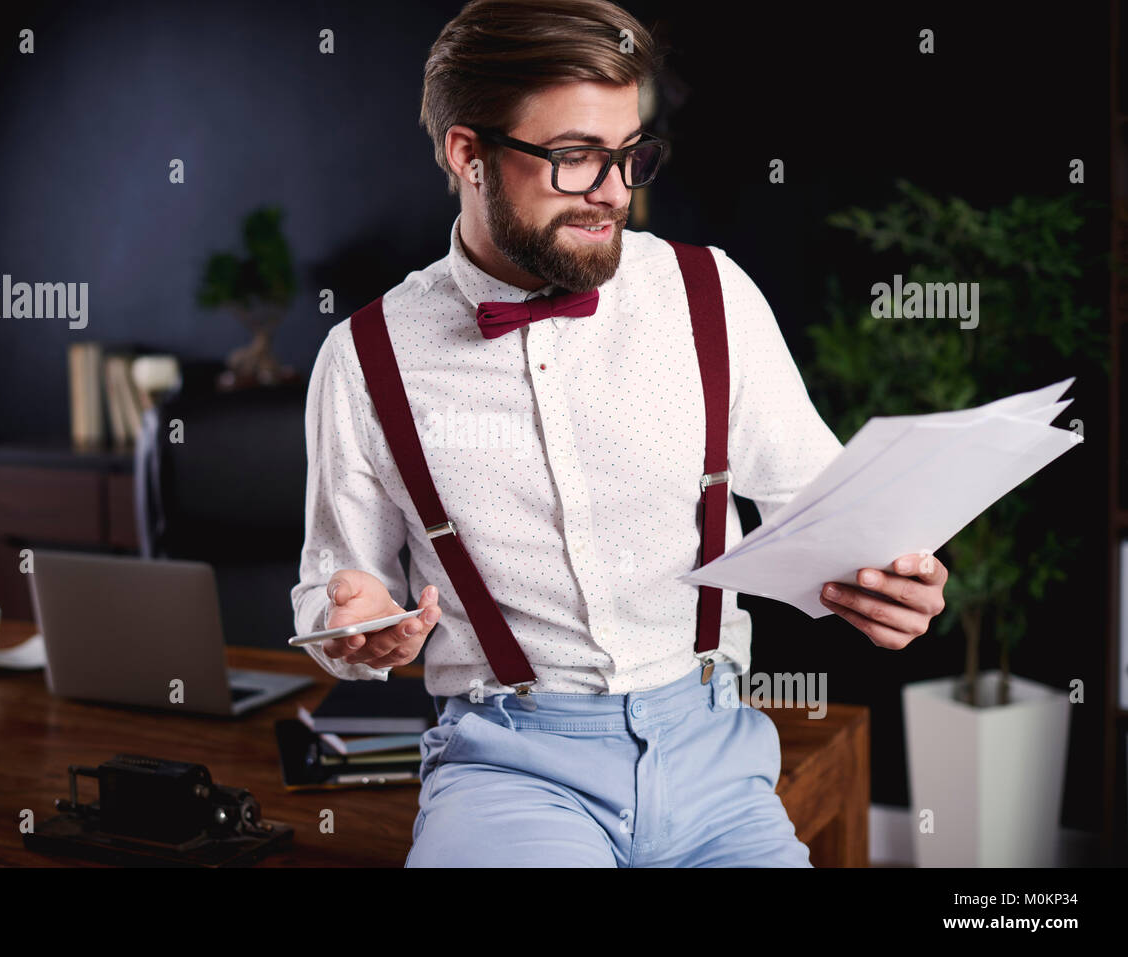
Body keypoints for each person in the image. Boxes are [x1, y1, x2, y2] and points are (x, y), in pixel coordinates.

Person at [290, 0, 948, 867]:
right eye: (573, 157)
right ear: (467, 153)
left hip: (716, 758)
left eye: (629, 154)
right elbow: (331, 597)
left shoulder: (710, 296)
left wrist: (893, 584)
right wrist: (355, 630)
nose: (613, 190)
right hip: (509, 768)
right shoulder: (364, 358)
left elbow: (829, 518)